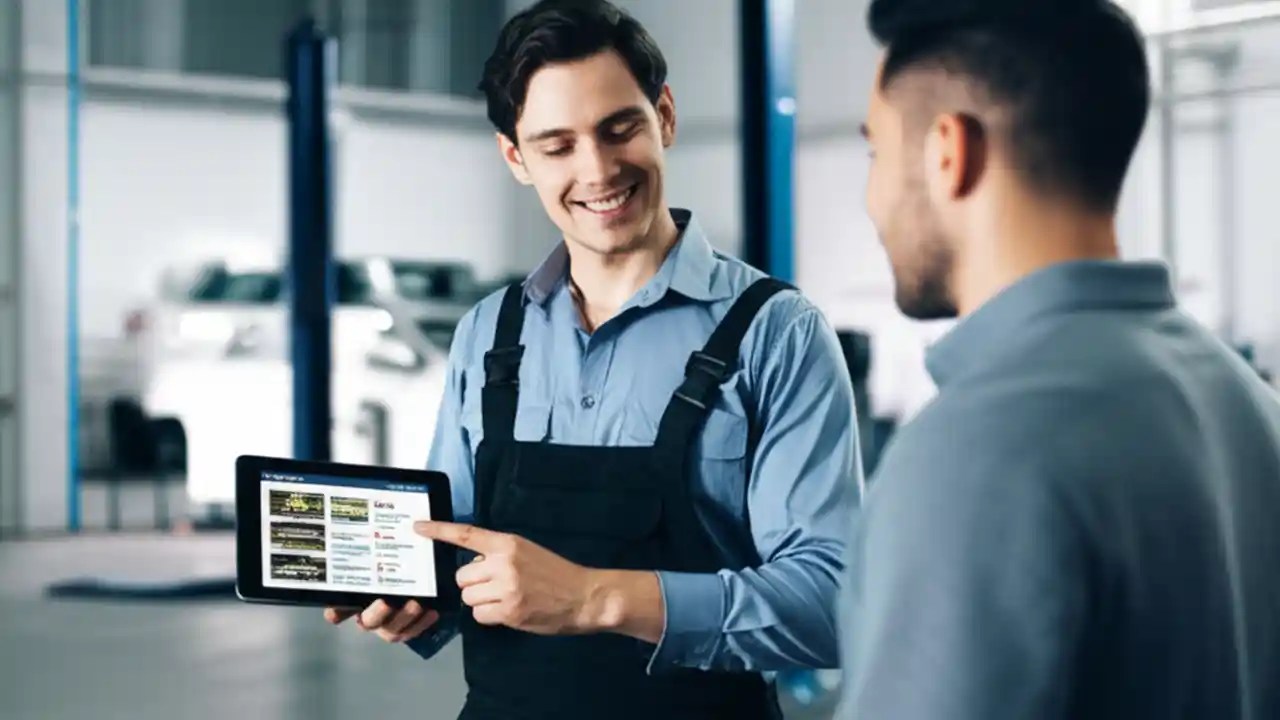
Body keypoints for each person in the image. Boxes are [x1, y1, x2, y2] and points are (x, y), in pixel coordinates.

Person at [325, 1, 863, 718]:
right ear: (516, 158)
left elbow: (833, 604)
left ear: (664, 116)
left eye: (620, 129)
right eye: (557, 146)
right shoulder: (488, 333)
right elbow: (454, 553)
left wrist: (594, 598)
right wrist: (410, 596)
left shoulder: (776, 335)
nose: (599, 170)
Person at [838, 0, 1280, 718]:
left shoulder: (975, 454)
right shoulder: (1249, 407)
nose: (873, 197)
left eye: (875, 154)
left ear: (949, 153)